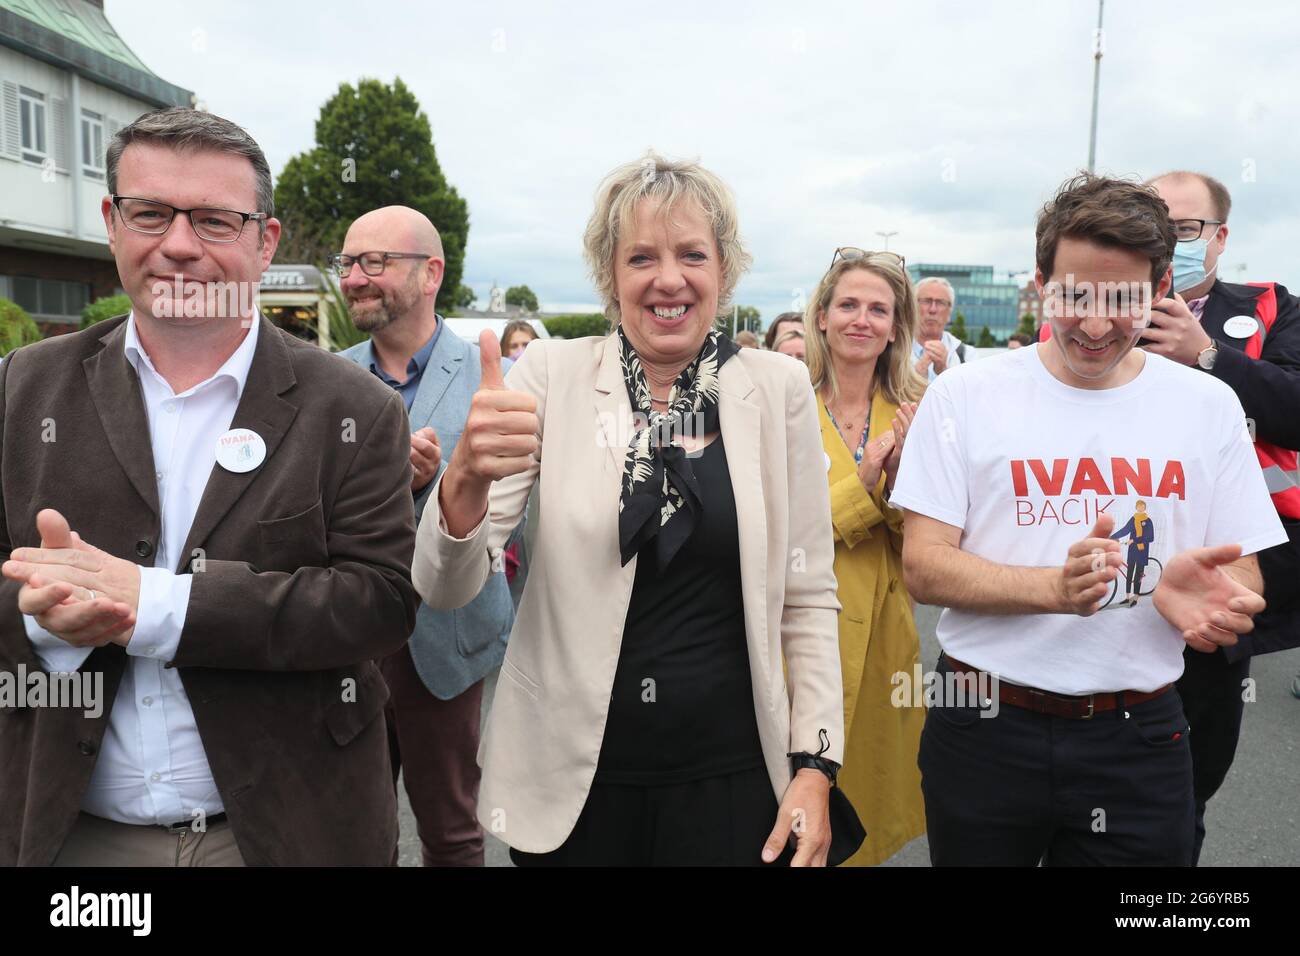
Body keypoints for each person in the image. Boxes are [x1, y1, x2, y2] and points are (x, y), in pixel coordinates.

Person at [0, 107, 419, 866]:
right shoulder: (20, 391)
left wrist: (151, 606)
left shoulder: (355, 408)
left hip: (280, 834)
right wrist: (40, 618)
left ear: (266, 242)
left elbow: (381, 605)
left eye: (216, 221)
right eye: (151, 213)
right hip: (73, 835)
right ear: (111, 222)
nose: (180, 246)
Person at [411, 152, 845, 866]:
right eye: (641, 256)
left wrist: (815, 765)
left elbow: (809, 596)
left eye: (691, 254)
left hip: (733, 776)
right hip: (576, 787)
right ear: (611, 277)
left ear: (724, 272)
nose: (667, 277)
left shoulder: (779, 387)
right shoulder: (551, 374)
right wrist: (463, 481)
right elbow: (446, 586)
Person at [891, 173, 1285, 866]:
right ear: (1042, 279)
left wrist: (1217, 597)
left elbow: (1244, 568)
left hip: (1140, 736)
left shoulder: (1208, 405)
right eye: (1074, 295)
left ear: (1162, 288)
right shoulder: (964, 396)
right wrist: (1055, 590)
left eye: (1124, 299)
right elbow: (924, 564)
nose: (1097, 325)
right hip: (984, 725)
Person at [333, 206, 516, 867]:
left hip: (447, 640)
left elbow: (511, 514)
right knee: (351, 830)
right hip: (346, 640)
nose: (355, 277)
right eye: (348, 263)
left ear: (431, 272)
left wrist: (442, 480)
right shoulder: (324, 377)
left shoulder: (491, 377)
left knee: (453, 833)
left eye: (373, 262)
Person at [1145, 170, 1300, 863]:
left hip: (1225, 584)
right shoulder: (1100, 307)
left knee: (1185, 788)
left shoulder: (1272, 309)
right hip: (1120, 577)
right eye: (1156, 226)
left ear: (1220, 237)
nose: (1171, 242)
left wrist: (1208, 356)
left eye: (1186, 229)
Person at [804, 247, 926, 865]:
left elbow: (933, 548)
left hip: (881, 638)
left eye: (879, 309)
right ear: (821, 316)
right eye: (848, 304)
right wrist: (864, 485)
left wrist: (904, 483)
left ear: (896, 326)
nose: (862, 319)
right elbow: (774, 529)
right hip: (793, 632)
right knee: (787, 808)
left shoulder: (920, 411)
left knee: (864, 815)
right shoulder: (785, 405)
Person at [912, 276, 967, 380]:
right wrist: (915, 379)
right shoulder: (892, 351)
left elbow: (969, 395)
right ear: (913, 306)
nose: (933, 309)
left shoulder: (966, 355)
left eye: (940, 302)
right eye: (926, 301)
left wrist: (943, 371)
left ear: (950, 311)